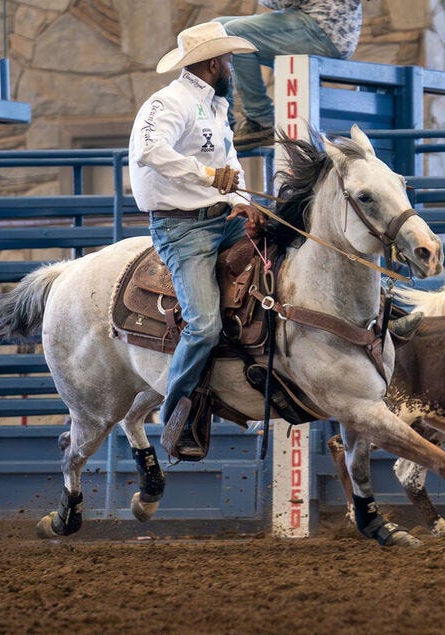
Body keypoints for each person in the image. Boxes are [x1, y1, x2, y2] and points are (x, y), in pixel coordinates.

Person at [129, 21, 265, 458]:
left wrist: (242, 198)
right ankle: (176, 416)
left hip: (222, 218)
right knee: (203, 325)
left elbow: (230, 161)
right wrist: (209, 176)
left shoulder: (216, 106)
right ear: (212, 64)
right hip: (182, 229)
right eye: (227, 60)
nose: (231, 67)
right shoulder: (167, 102)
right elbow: (150, 152)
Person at [216, 1, 365, 151]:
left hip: (324, 29)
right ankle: (222, 125)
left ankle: (261, 120)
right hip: (322, 26)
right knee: (216, 30)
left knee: (234, 34)